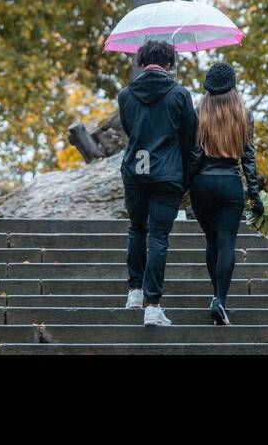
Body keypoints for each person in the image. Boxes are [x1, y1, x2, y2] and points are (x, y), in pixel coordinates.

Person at [118, 39, 197, 326]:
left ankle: (134, 292)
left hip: (135, 172)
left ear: (141, 62)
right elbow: (190, 138)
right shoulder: (180, 95)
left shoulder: (125, 95)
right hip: (167, 174)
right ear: (169, 64)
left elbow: (130, 130)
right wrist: (186, 177)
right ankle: (153, 305)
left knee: (136, 229)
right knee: (158, 237)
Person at [187, 62, 262, 325]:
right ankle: (220, 299)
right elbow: (248, 158)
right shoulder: (244, 114)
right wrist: (254, 194)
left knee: (211, 241)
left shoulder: (200, 113)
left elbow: (195, 154)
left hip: (203, 185)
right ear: (233, 87)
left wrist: (185, 183)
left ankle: (215, 295)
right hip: (230, 184)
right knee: (227, 242)